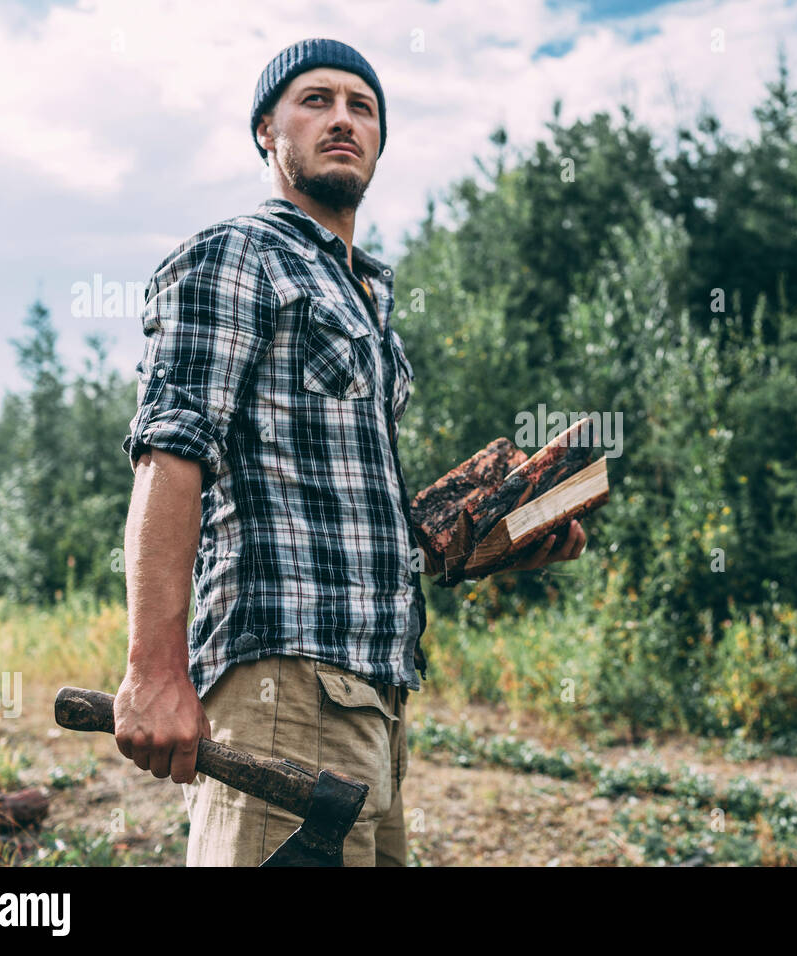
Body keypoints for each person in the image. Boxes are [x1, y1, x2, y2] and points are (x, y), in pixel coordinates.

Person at [114, 38, 586, 866]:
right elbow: (169, 451)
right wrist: (154, 669)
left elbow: (335, 517)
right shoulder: (238, 255)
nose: (342, 118)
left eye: (361, 107)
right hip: (279, 692)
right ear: (267, 130)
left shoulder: (362, 293)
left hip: (376, 700)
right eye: (316, 100)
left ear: (379, 140)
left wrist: (482, 542)